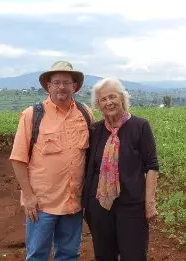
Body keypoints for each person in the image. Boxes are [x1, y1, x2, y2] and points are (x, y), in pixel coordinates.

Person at [10, 61, 94, 261]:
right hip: (42, 204)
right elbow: (18, 159)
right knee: (38, 255)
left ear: (74, 86)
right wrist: (28, 197)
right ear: (48, 86)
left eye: (66, 82)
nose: (61, 87)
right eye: (56, 82)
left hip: (73, 202)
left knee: (69, 255)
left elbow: (91, 156)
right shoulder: (32, 115)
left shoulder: (85, 114)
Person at [82, 78, 159, 261]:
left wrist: (149, 203)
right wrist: (88, 205)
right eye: (103, 99)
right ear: (98, 105)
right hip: (100, 205)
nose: (109, 102)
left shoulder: (140, 126)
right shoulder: (96, 130)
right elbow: (90, 168)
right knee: (104, 255)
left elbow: (152, 166)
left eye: (112, 97)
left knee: (134, 255)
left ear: (122, 98)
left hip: (132, 206)